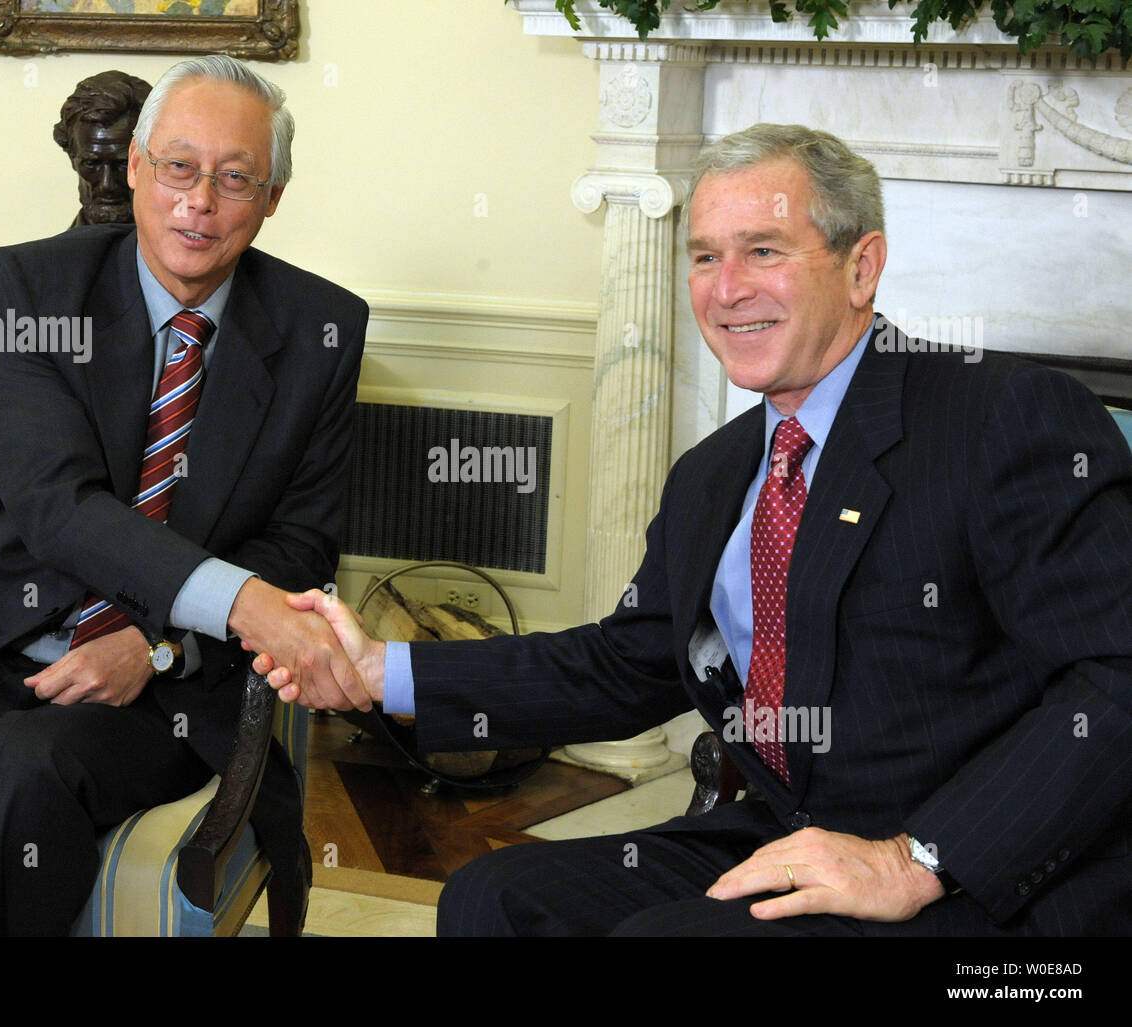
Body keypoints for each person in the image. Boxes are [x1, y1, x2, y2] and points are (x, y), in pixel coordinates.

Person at [265, 124, 1132, 936]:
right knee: (494, 899)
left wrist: (918, 858)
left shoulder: (1001, 417)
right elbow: (623, 666)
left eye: (764, 251)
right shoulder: (715, 474)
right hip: (787, 835)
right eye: (706, 257)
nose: (726, 289)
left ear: (862, 266)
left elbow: (1116, 675)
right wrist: (383, 671)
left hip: (978, 873)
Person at [0, 54, 369, 936]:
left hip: (157, 695)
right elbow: (55, 504)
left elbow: (299, 547)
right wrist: (237, 601)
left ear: (272, 198)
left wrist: (155, 647)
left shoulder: (321, 331)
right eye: (178, 167)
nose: (199, 201)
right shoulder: (29, 288)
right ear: (135, 169)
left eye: (235, 178)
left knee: (15, 775)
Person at [54, 70, 153, 228]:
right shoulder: (45, 253)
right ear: (72, 157)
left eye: (123, 164)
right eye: (91, 164)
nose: (107, 185)